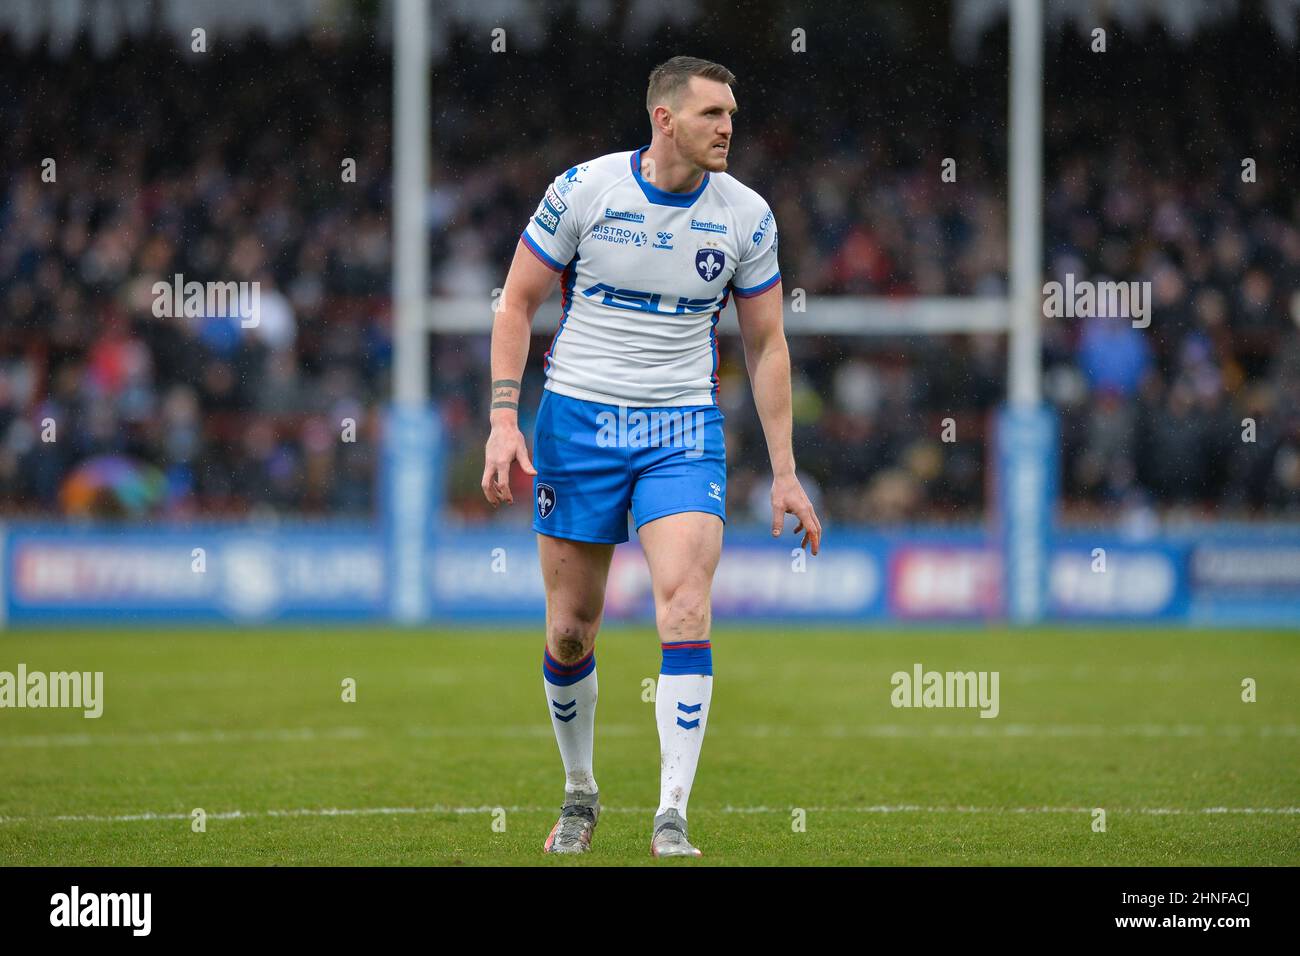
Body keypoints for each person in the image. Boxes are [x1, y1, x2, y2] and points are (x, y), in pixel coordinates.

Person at [481, 55, 822, 858]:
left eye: (732, 113)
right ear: (664, 119)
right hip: (578, 425)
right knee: (571, 631)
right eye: (711, 114)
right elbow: (517, 302)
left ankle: (672, 812)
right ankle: (580, 793)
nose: (728, 126)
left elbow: (768, 343)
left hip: (681, 430)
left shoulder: (747, 215)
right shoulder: (585, 190)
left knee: (686, 610)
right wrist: (503, 419)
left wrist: (783, 470)